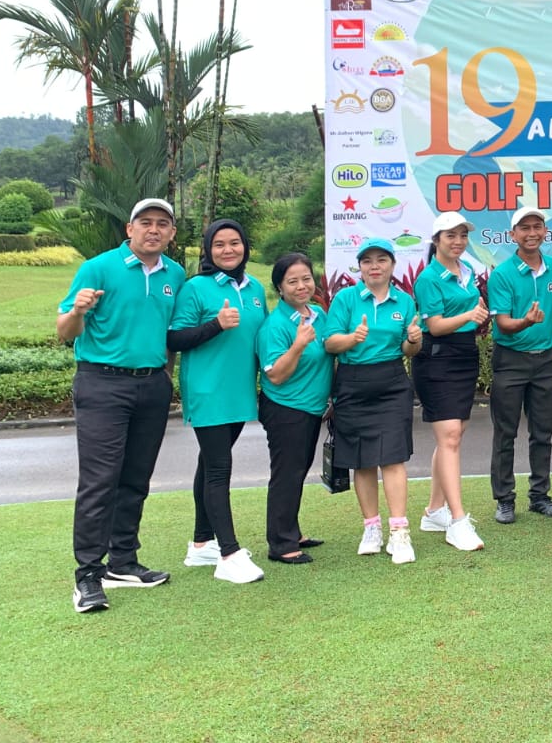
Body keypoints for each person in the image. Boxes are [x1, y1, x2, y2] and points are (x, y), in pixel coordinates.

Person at [57, 197, 186, 613]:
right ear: (129, 230)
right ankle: (88, 576)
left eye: (162, 224)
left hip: (151, 386)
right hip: (101, 384)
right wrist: (78, 311)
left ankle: (124, 561)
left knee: (136, 478)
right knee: (100, 480)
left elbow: (169, 334)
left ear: (171, 234)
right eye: (145, 222)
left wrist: (164, 377)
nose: (153, 229)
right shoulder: (98, 268)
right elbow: (64, 331)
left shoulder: (175, 274)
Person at [170, 219, 269, 585]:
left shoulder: (255, 287)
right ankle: (228, 552)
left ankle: (201, 544)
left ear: (245, 247)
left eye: (235, 243)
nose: (228, 250)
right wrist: (215, 324)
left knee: (208, 463)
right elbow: (175, 337)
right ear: (208, 250)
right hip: (208, 391)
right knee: (219, 469)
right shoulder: (195, 288)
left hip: (240, 391)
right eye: (219, 244)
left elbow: (264, 335)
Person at [324, 237, 424, 564]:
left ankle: (399, 532)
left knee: (393, 458)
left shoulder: (404, 301)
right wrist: (352, 338)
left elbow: (409, 351)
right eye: (368, 261)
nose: (375, 266)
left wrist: (413, 341)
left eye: (381, 260)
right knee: (362, 460)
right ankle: (372, 528)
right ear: (360, 267)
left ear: (392, 265)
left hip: (392, 382)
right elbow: (330, 343)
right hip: (353, 382)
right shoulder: (346, 299)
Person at [412, 210, 490, 552]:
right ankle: (457, 522)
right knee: (451, 437)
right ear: (436, 241)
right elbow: (435, 325)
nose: (458, 242)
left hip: (464, 354)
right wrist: (469, 315)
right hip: (437, 357)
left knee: (453, 435)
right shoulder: (428, 278)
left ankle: (433, 511)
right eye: (450, 236)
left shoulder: (467, 270)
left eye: (462, 235)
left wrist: (479, 312)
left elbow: (469, 312)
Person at [486, 207, 552, 524]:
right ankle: (505, 499)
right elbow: (504, 324)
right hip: (510, 361)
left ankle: (540, 496)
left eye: (537, 226)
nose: (532, 233)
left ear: (545, 231)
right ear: (513, 235)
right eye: (524, 228)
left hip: (544, 360)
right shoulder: (502, 274)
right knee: (505, 434)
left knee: (542, 432)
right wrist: (526, 322)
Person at [255, 253, 334, 564]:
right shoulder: (275, 326)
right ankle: (281, 544)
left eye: (306, 279)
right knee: (287, 473)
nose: (302, 286)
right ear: (279, 287)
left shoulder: (317, 314)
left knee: (298, 470)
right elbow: (274, 373)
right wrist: (299, 344)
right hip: (286, 409)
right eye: (293, 281)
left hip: (312, 408)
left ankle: (292, 530)